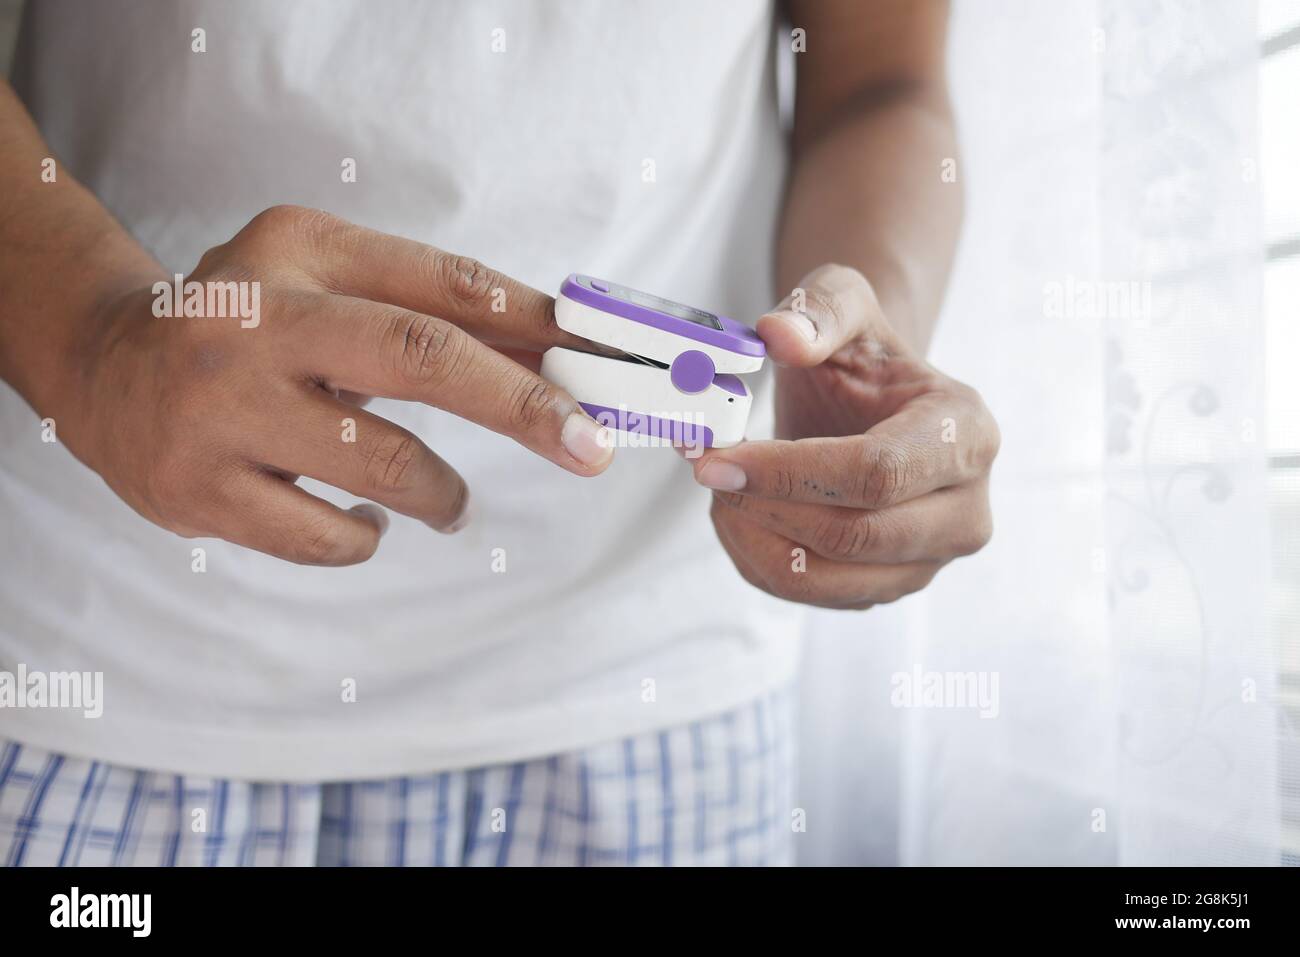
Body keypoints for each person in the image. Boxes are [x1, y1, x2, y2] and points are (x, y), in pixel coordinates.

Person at [0, 0, 997, 866]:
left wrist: (866, 348)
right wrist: (91, 342)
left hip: (642, 678)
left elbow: (878, 79)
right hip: (102, 659)